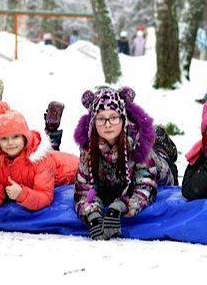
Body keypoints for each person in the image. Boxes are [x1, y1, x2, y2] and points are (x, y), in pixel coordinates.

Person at [73, 86, 178, 240]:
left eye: (113, 117)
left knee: (159, 154)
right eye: (101, 119)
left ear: (123, 119)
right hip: (115, 181)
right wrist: (92, 213)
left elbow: (146, 185)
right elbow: (83, 189)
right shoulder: (89, 147)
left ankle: (161, 139)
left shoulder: (138, 142)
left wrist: (123, 206)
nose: (108, 124)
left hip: (157, 170)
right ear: (93, 122)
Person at [0, 101, 79, 211]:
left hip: (71, 169)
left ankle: (52, 126)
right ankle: (52, 127)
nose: (10, 143)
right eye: (4, 139)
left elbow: (45, 197)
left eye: (15, 137)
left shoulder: (41, 160)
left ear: (25, 137)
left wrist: (22, 194)